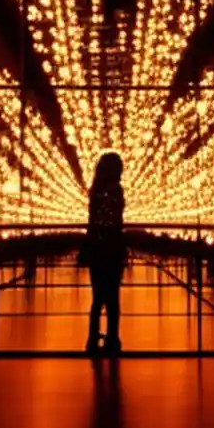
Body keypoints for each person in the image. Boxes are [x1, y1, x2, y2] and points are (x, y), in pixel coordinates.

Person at [79, 151, 126, 354]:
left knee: (98, 298)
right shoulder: (116, 191)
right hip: (112, 248)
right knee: (113, 297)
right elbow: (115, 221)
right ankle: (113, 338)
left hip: (97, 249)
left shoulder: (95, 192)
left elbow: (93, 223)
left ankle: (92, 338)